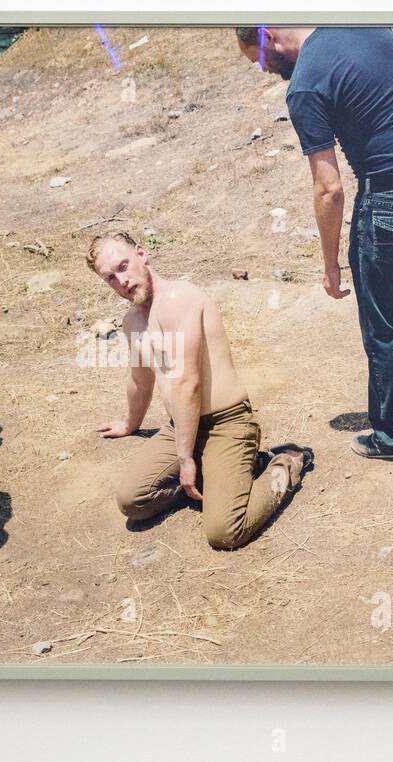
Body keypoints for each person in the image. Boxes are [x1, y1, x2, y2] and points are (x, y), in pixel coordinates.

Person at [236, 26, 393, 461]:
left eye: (259, 60)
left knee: (380, 322)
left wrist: (330, 263)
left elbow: (329, 189)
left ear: (267, 35)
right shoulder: (364, 24)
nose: (264, 71)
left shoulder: (304, 85)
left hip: (392, 198)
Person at [88, 232, 310, 550]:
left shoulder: (181, 298)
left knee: (225, 533)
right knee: (132, 501)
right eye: (110, 277)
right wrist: (129, 425)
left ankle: (284, 465)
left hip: (227, 423)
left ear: (141, 253)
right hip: (182, 425)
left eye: (124, 266)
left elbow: (187, 384)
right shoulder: (133, 321)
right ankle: (219, 474)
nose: (121, 280)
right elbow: (140, 380)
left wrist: (184, 457)